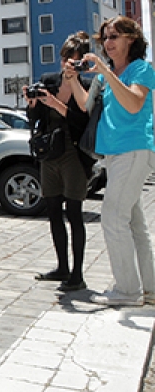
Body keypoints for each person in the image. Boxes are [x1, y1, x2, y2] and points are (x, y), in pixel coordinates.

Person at [77, 16, 155, 306]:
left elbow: (134, 104)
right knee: (135, 225)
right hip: (118, 154)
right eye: (105, 38)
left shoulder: (140, 69)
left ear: (131, 39)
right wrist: (74, 81)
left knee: (112, 217)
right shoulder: (107, 73)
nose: (108, 43)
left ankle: (127, 291)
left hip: (133, 150)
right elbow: (87, 106)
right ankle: (149, 289)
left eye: (114, 37)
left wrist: (107, 74)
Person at [24, 32, 95, 293]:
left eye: (75, 60)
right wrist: (32, 105)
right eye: (66, 58)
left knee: (74, 213)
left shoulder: (87, 85)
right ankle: (62, 267)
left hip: (74, 155)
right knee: (53, 210)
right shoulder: (48, 81)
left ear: (82, 63)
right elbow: (36, 119)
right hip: (50, 154)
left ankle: (77, 274)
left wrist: (56, 104)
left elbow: (84, 122)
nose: (68, 64)